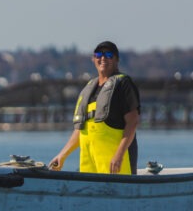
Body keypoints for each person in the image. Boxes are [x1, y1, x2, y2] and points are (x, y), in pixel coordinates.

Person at [49, 41, 140, 174]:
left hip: (115, 163)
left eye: (108, 55)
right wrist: (62, 155)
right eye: (98, 55)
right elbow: (80, 130)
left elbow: (133, 122)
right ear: (93, 59)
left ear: (117, 59)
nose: (103, 58)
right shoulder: (89, 88)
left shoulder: (124, 84)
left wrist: (119, 155)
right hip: (90, 163)